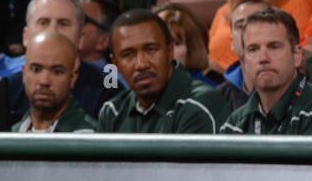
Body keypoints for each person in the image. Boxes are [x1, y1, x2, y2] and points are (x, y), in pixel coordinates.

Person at [98, 9, 229, 132]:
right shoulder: (112, 112)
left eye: (151, 49)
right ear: (115, 63)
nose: (141, 64)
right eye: (128, 54)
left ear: (169, 51)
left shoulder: (199, 104)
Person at [222, 4, 312, 130]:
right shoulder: (234, 125)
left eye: (274, 47)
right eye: (253, 49)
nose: (263, 58)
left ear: (297, 56)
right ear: (245, 61)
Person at [14, 31, 98, 132]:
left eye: (57, 72)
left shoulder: (89, 137)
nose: (44, 81)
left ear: (73, 77)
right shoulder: (9, 133)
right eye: (36, 69)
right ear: (24, 73)